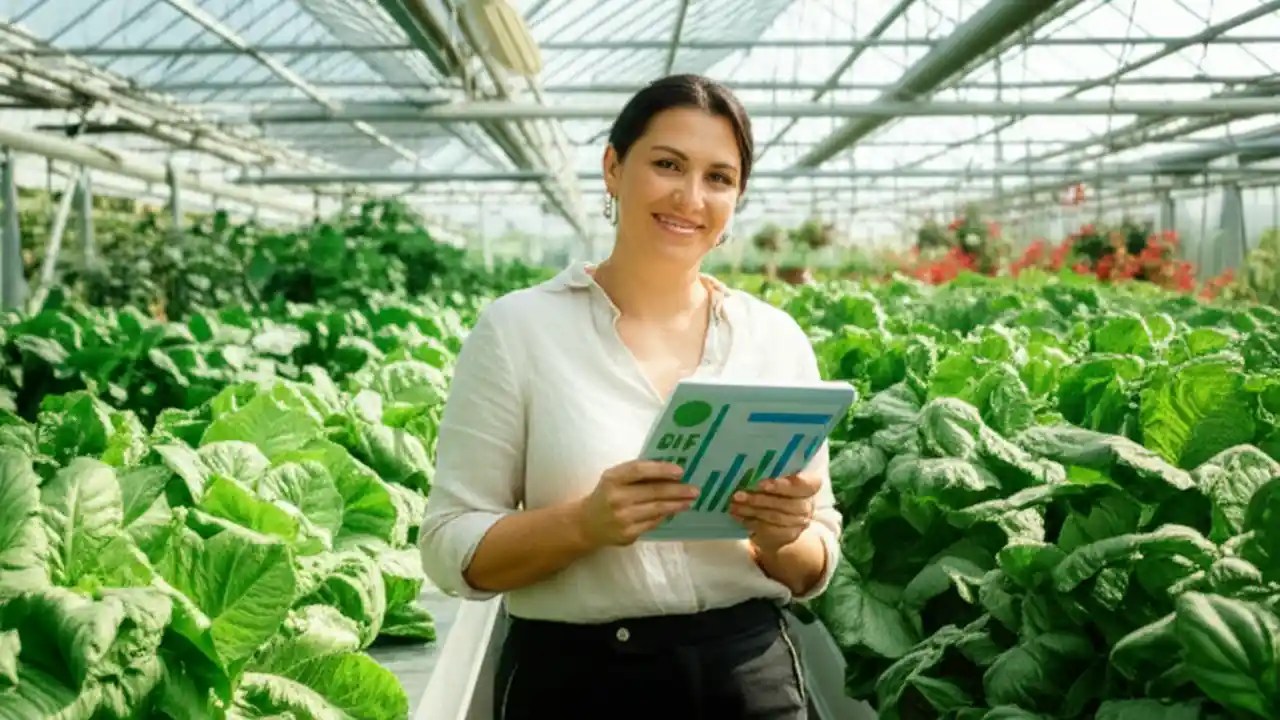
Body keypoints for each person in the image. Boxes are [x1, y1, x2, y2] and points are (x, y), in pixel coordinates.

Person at [417, 73, 842, 720]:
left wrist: (782, 538)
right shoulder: (518, 330)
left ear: (736, 198)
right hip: (576, 683)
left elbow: (814, 563)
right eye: (667, 164)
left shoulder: (774, 339)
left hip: (749, 676)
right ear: (613, 168)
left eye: (718, 178)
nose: (690, 196)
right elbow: (451, 549)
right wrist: (583, 525)